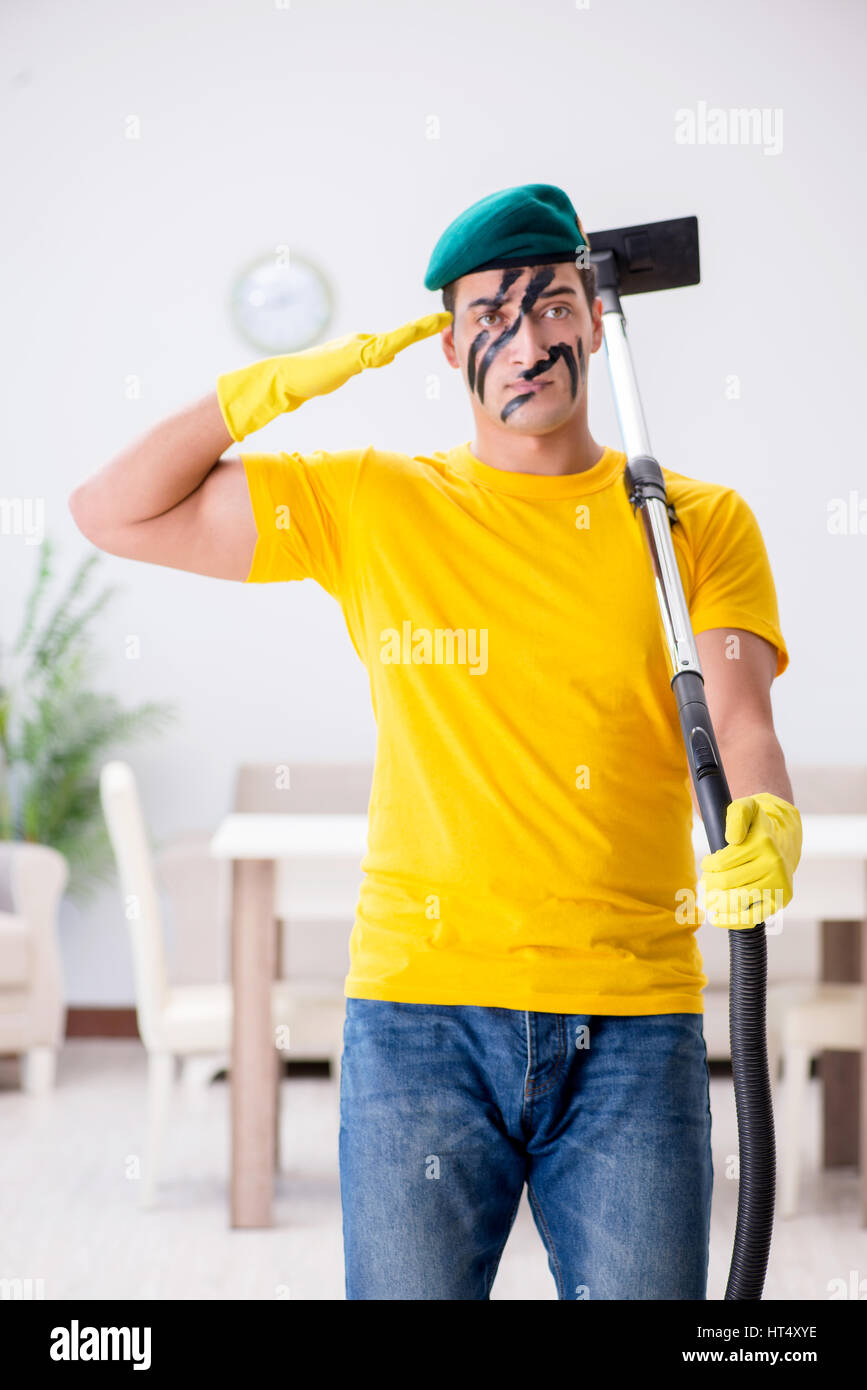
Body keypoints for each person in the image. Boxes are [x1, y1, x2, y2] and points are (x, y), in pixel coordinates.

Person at [69, 182, 802, 1300]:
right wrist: (275, 388)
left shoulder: (691, 521)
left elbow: (741, 719)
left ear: (597, 320)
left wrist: (768, 814)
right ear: (447, 342)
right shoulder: (373, 502)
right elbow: (112, 510)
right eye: (490, 316)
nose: (525, 340)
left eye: (551, 305)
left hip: (636, 1021)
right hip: (419, 1023)